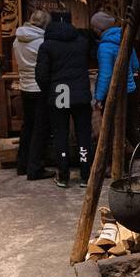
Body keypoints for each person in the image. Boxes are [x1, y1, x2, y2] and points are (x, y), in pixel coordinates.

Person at [35, 10, 92, 188]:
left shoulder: (47, 45)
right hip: (81, 92)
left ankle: (64, 175)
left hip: (60, 91)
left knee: (61, 134)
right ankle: (85, 175)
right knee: (83, 134)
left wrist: (49, 90)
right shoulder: (82, 42)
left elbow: (41, 75)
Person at [91, 10, 140, 152]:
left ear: (99, 29)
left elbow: (106, 76)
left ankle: (116, 163)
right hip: (130, 91)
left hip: (114, 94)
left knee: (112, 130)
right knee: (129, 129)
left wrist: (99, 98)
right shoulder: (125, 40)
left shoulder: (104, 47)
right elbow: (135, 65)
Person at [13, 8, 53, 180]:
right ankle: (35, 168)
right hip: (39, 88)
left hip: (24, 86)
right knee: (40, 129)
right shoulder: (42, 42)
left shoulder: (17, 40)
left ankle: (22, 164)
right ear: (45, 24)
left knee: (27, 126)